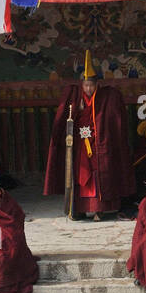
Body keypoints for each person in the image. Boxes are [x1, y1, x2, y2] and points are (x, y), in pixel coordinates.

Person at [43, 51, 133, 219]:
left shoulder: (106, 98)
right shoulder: (76, 99)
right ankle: (80, 209)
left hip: (99, 143)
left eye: (91, 85)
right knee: (81, 174)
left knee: (99, 174)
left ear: (97, 85)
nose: (89, 89)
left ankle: (99, 209)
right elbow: (66, 120)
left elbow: (111, 121)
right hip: (80, 145)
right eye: (86, 85)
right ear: (81, 85)